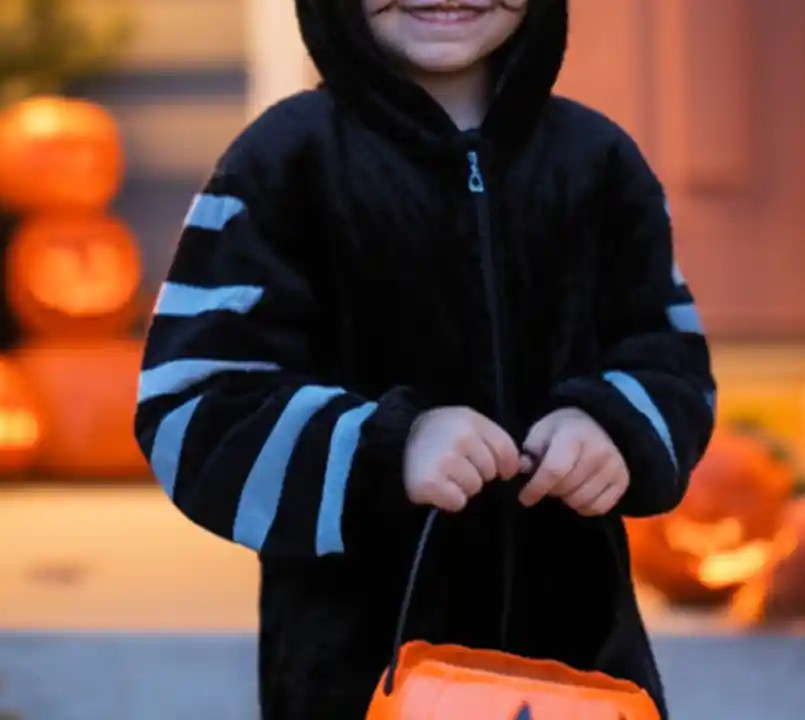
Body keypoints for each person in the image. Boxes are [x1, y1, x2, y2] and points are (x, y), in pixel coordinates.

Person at [133, 0, 715, 717]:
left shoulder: (599, 163)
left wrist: (617, 427)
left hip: (577, 662)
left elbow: (671, 357)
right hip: (353, 669)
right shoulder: (281, 163)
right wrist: (386, 449)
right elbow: (196, 405)